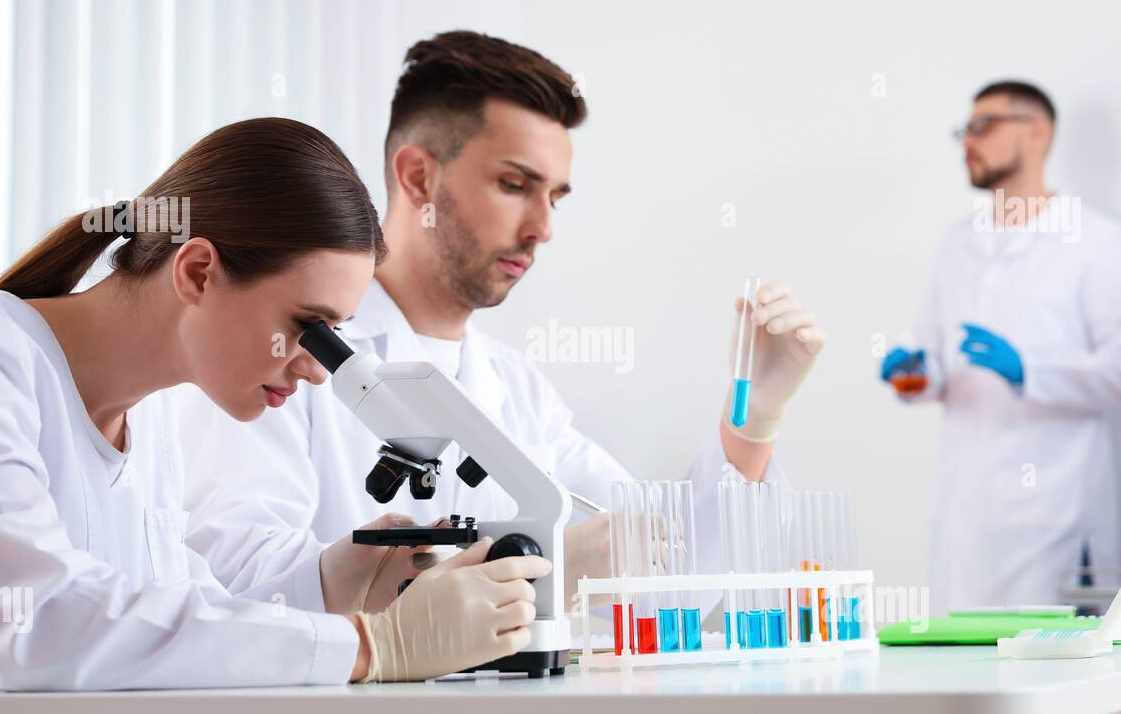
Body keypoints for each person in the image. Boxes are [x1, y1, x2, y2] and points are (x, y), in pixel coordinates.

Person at [0, 117, 547, 714]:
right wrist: (373, 646)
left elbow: (171, 625)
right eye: (309, 328)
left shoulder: (151, 422)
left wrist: (328, 588)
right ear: (198, 271)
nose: (317, 369)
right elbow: (40, 625)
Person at [176, 32, 827, 612]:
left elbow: (664, 560)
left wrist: (754, 418)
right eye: (515, 185)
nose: (541, 227)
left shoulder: (516, 388)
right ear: (418, 177)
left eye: (555, 197)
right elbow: (238, 578)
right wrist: (536, 564)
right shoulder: (285, 355)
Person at [881, 81, 1121, 611]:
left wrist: (1028, 369)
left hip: (1055, 512)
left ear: (1037, 132)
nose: (968, 141)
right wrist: (916, 374)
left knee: (1053, 670)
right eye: (965, 129)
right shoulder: (958, 243)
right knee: (963, 669)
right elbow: (935, 356)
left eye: (985, 126)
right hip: (966, 513)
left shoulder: (1097, 241)